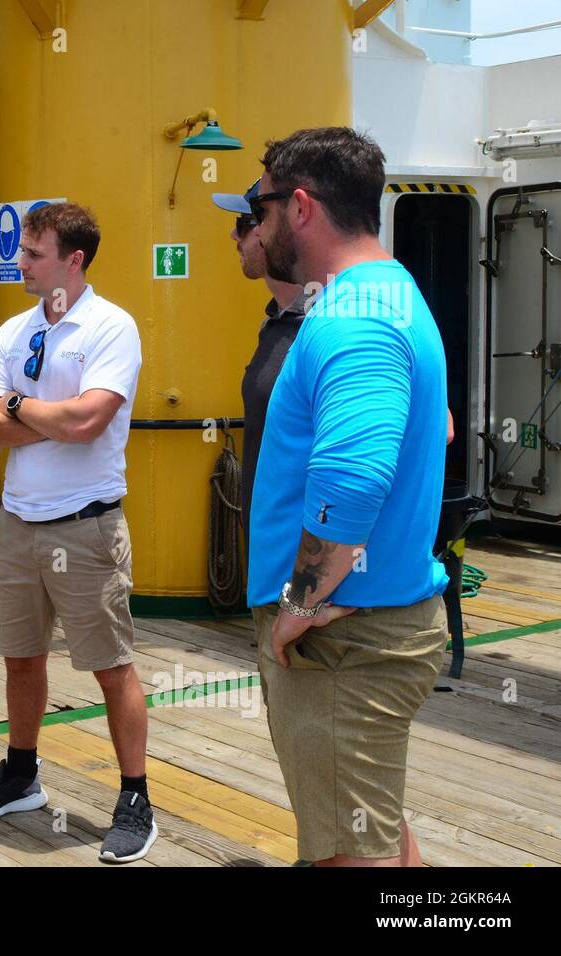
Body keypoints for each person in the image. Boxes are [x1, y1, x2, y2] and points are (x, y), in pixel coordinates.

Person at [246, 126, 450, 867]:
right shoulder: (389, 295)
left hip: (345, 646)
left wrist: (299, 603)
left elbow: (355, 477)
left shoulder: (354, 316)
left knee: (346, 856)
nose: (257, 226)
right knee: (376, 833)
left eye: (260, 207)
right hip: (370, 628)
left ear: (300, 206)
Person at [0, 202, 151, 863]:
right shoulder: (15, 329)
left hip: (86, 527)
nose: (22, 261)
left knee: (110, 668)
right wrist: (44, 416)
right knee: (20, 659)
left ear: (74, 261)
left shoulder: (111, 327)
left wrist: (18, 407)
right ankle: (21, 773)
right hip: (17, 524)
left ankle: (134, 797)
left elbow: (86, 424)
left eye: (35, 252)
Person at [212, 178, 307, 542]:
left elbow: (438, 426)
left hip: (309, 574)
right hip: (270, 559)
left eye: (244, 224)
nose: (234, 238)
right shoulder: (275, 323)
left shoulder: (329, 323)